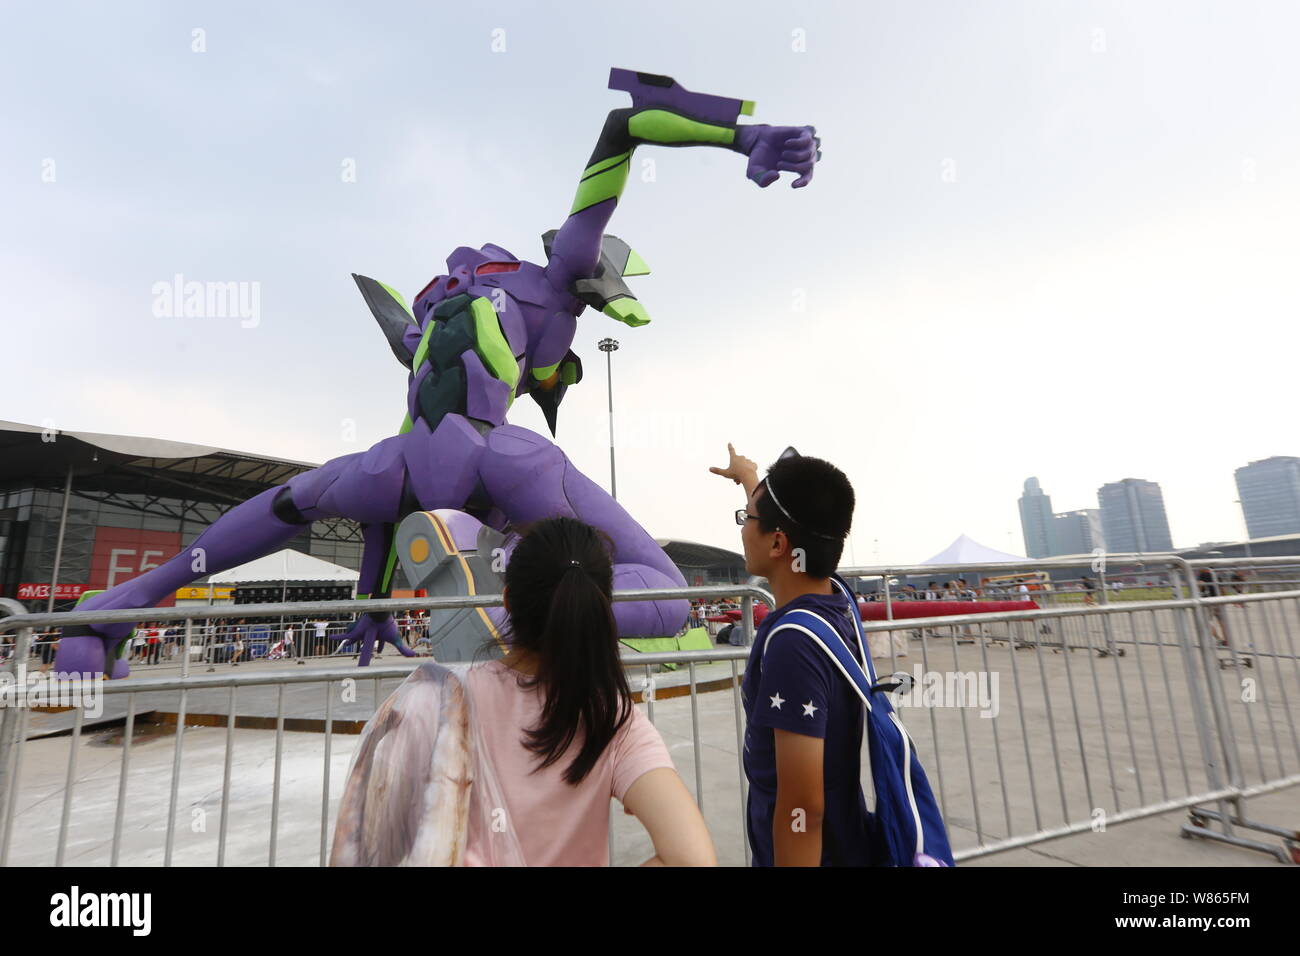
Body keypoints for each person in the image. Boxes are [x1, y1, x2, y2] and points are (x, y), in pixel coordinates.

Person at [710, 443, 873, 866]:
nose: (744, 528)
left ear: (779, 543)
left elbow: (803, 807)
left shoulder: (792, 644)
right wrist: (749, 479)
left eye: (748, 520)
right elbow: (792, 519)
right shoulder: (838, 602)